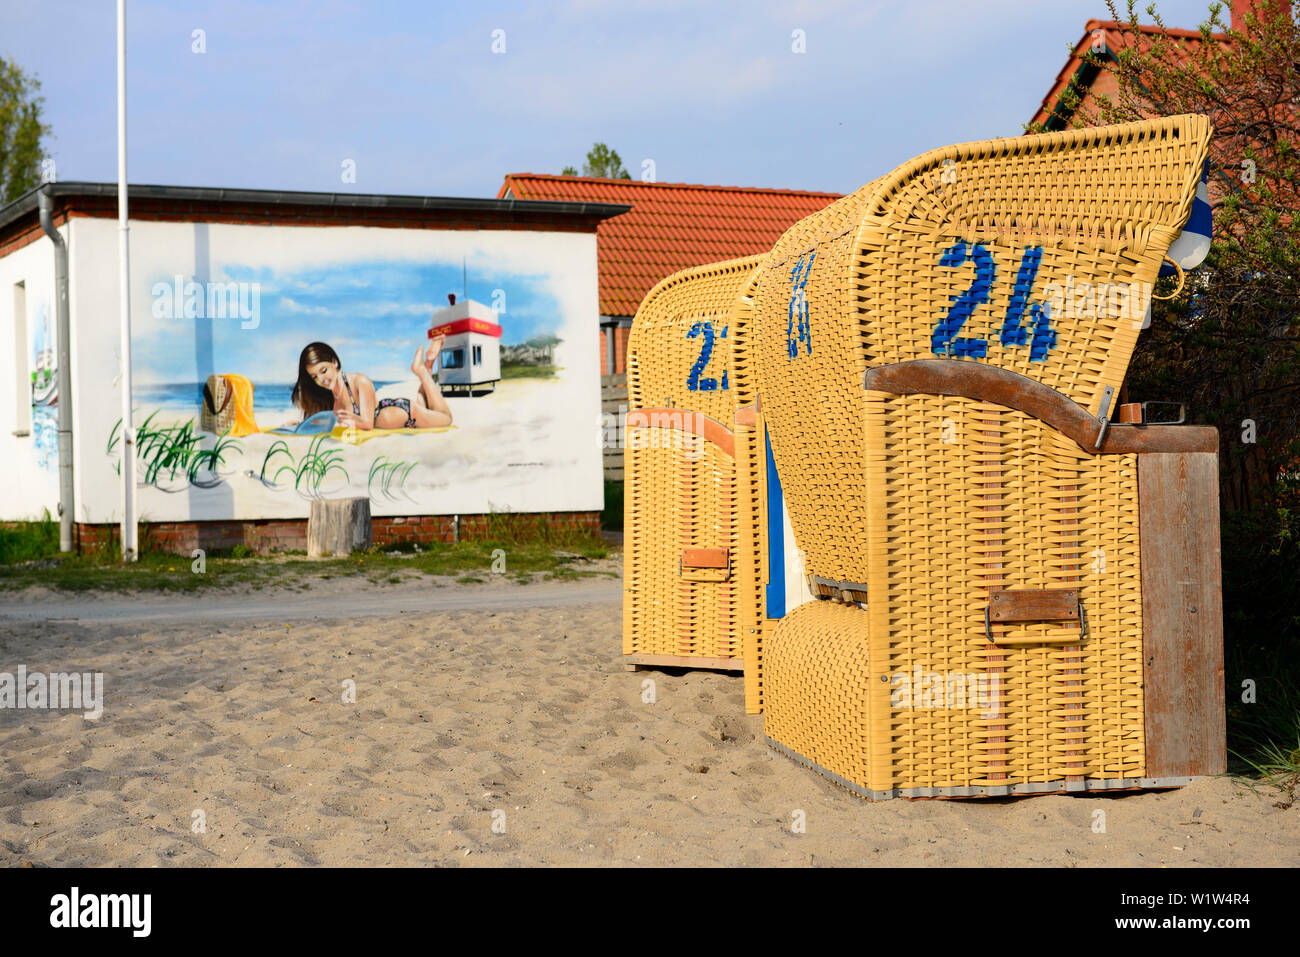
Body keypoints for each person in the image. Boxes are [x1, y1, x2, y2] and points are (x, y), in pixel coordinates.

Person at [291, 339, 453, 430]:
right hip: (398, 415)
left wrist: (345, 421)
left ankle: (422, 371)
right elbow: (326, 421)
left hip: (408, 414)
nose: (321, 379)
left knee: (445, 418)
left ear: (334, 362)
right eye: (314, 376)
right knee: (423, 401)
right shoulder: (327, 395)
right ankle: (429, 364)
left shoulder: (359, 381)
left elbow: (367, 424)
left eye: (324, 370)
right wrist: (303, 425)